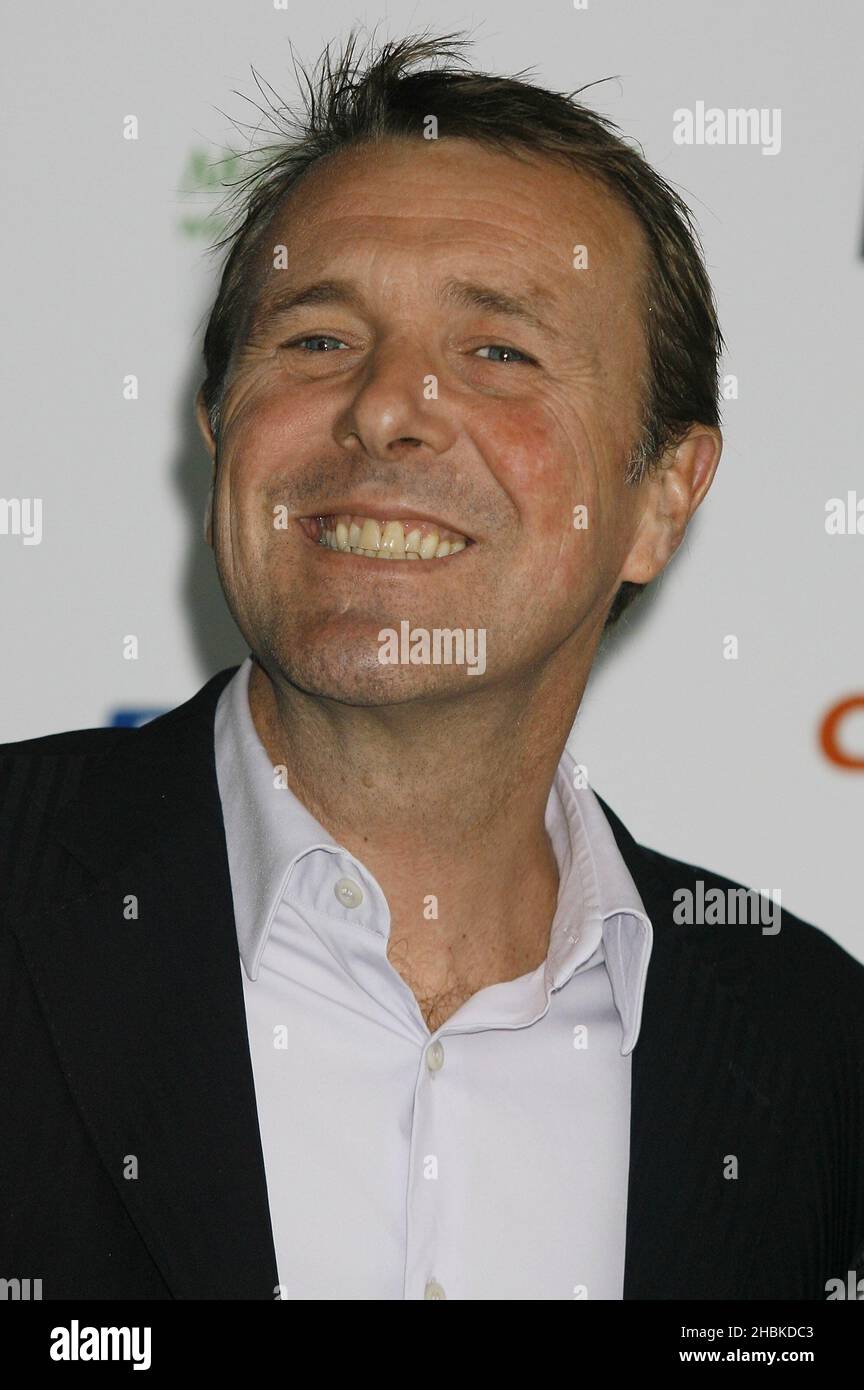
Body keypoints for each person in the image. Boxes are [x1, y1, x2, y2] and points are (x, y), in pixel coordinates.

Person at [2, 31, 862, 1302]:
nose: (385, 407)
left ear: (663, 497)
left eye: (499, 352)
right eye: (315, 340)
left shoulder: (815, 1053)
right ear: (216, 431)